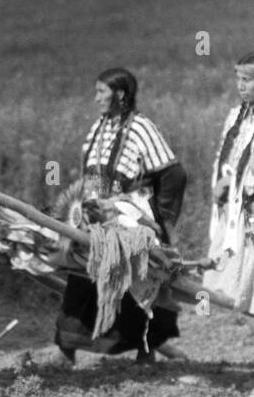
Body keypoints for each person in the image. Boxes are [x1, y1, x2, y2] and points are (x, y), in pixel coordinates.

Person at [55, 67, 187, 360]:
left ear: (121, 94)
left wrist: (157, 218)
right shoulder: (99, 128)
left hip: (129, 220)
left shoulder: (141, 128)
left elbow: (174, 175)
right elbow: (91, 174)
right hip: (96, 221)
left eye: (101, 92)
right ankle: (67, 347)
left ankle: (146, 348)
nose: (96, 98)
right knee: (83, 275)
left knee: (141, 284)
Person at [205, 53, 254, 314]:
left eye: (247, 79)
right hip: (235, 210)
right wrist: (221, 184)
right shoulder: (236, 116)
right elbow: (224, 156)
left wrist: (243, 186)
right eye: (238, 78)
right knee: (234, 278)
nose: (240, 85)